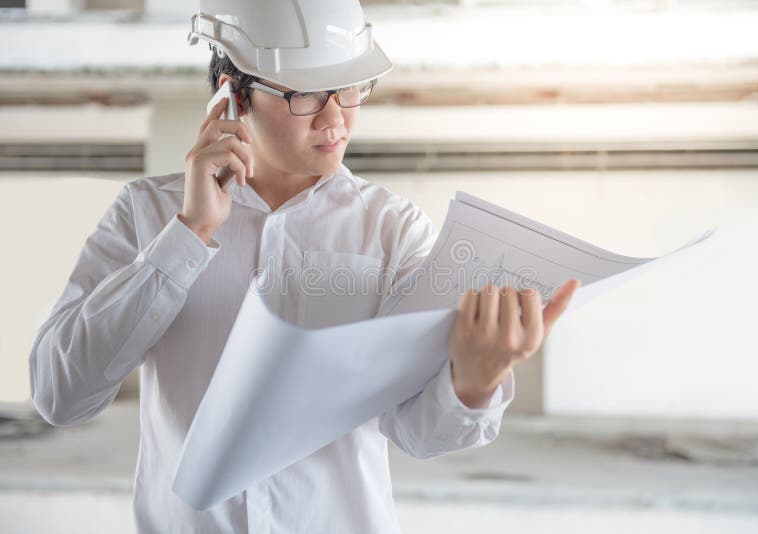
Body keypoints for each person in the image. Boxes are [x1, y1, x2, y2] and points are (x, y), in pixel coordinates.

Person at [28, 0, 579, 532]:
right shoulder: (146, 213)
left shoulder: (393, 230)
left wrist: (476, 380)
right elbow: (60, 396)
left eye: (352, 88)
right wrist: (188, 234)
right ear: (232, 96)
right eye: (308, 94)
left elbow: (417, 433)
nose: (337, 117)